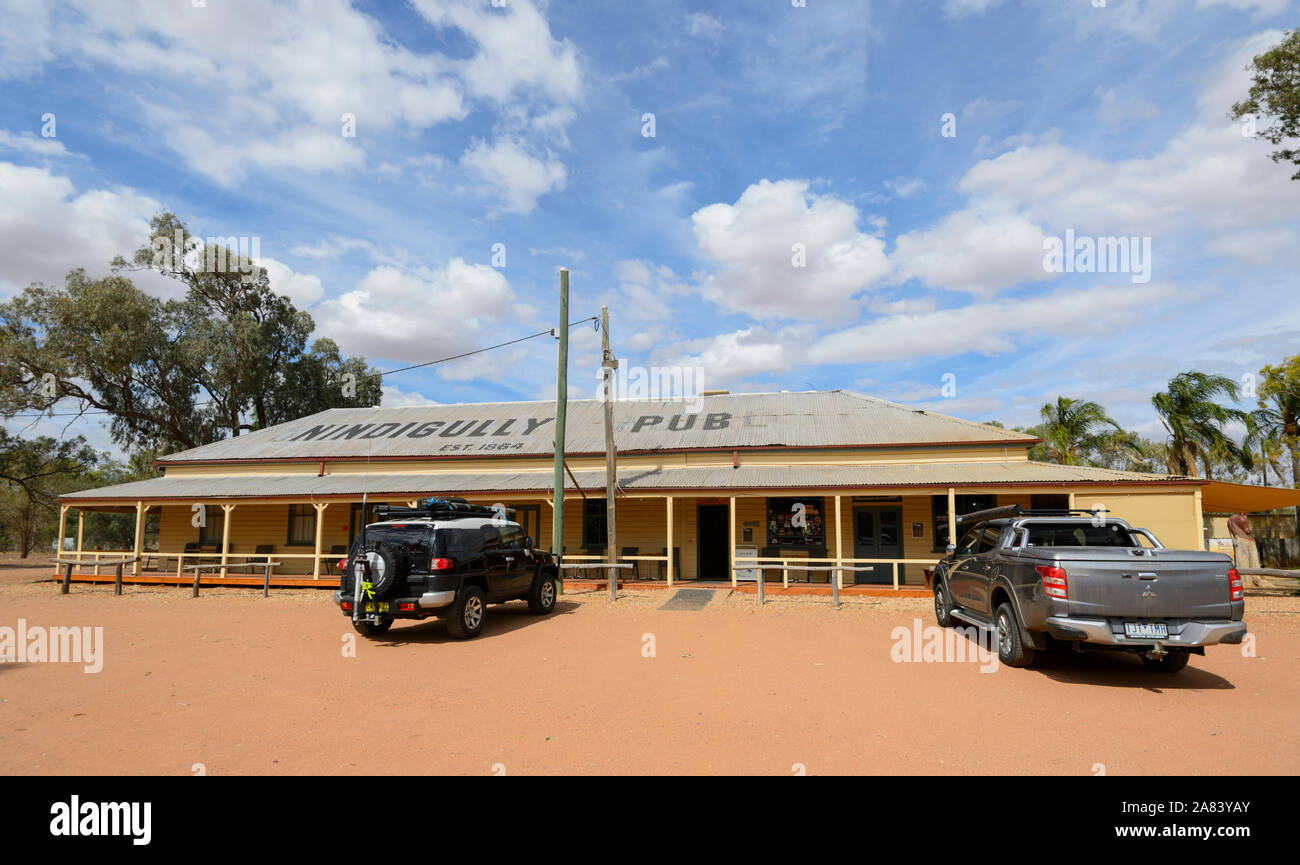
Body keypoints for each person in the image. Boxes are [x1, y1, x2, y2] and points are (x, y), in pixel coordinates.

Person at [1227, 512, 1263, 587]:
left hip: (1240, 539)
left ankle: (1252, 579)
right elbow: (1247, 529)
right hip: (1242, 541)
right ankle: (1246, 580)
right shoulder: (1241, 518)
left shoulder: (1231, 520)